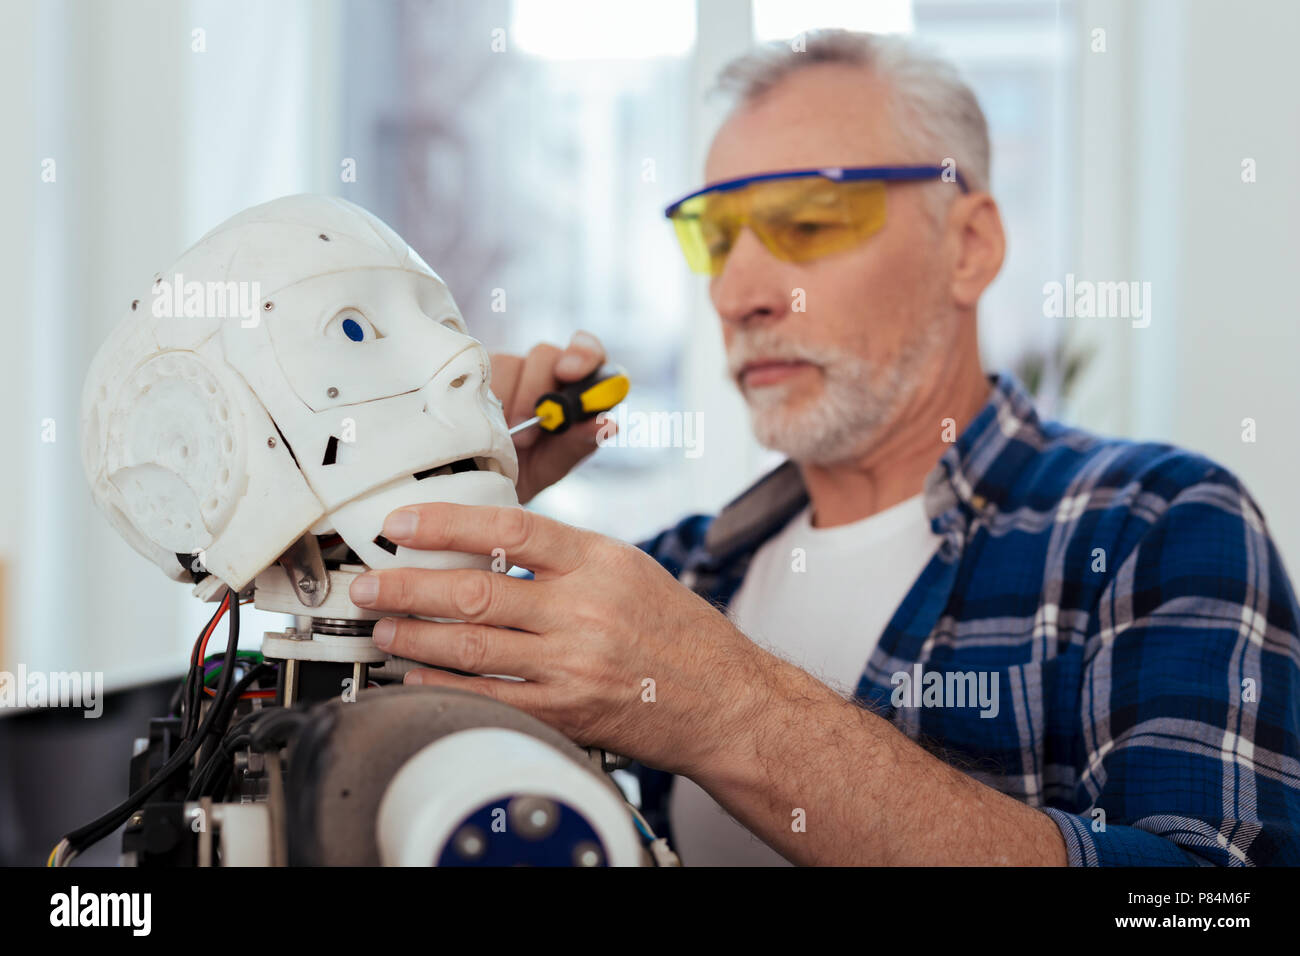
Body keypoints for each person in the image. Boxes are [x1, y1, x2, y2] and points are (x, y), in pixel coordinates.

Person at [345, 30, 1300, 865]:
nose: (739, 294)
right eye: (716, 239)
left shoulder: (1157, 528)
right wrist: (478, 501)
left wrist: (728, 703)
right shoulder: (681, 574)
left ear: (968, 245)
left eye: (806, 220)